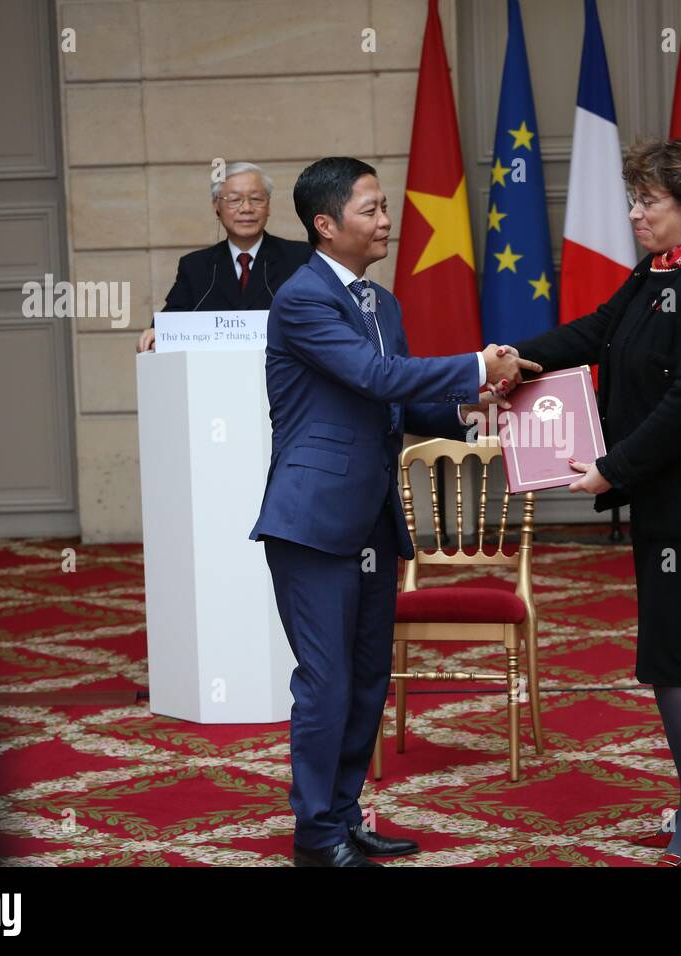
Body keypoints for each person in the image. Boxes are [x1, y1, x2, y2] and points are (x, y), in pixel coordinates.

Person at [247, 157, 540, 867]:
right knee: (327, 682)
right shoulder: (302, 298)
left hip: (373, 518)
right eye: (371, 210)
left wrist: (474, 407)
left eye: (384, 208)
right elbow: (373, 375)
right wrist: (477, 363)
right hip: (313, 522)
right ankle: (315, 834)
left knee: (369, 676)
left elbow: (399, 403)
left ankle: (345, 818)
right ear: (325, 224)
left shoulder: (382, 303)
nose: (387, 222)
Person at [511, 134, 681, 866]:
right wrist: (512, 358)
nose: (634, 212)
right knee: (672, 656)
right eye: (634, 198)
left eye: (649, 201)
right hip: (671, 498)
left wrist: (612, 468)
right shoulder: (659, 270)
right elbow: (598, 332)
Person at [136, 162, 312, 352]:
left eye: (256, 199)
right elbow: (174, 317)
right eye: (234, 199)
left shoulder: (300, 258)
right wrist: (158, 332)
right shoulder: (196, 266)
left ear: (268, 205)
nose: (246, 208)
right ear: (216, 207)